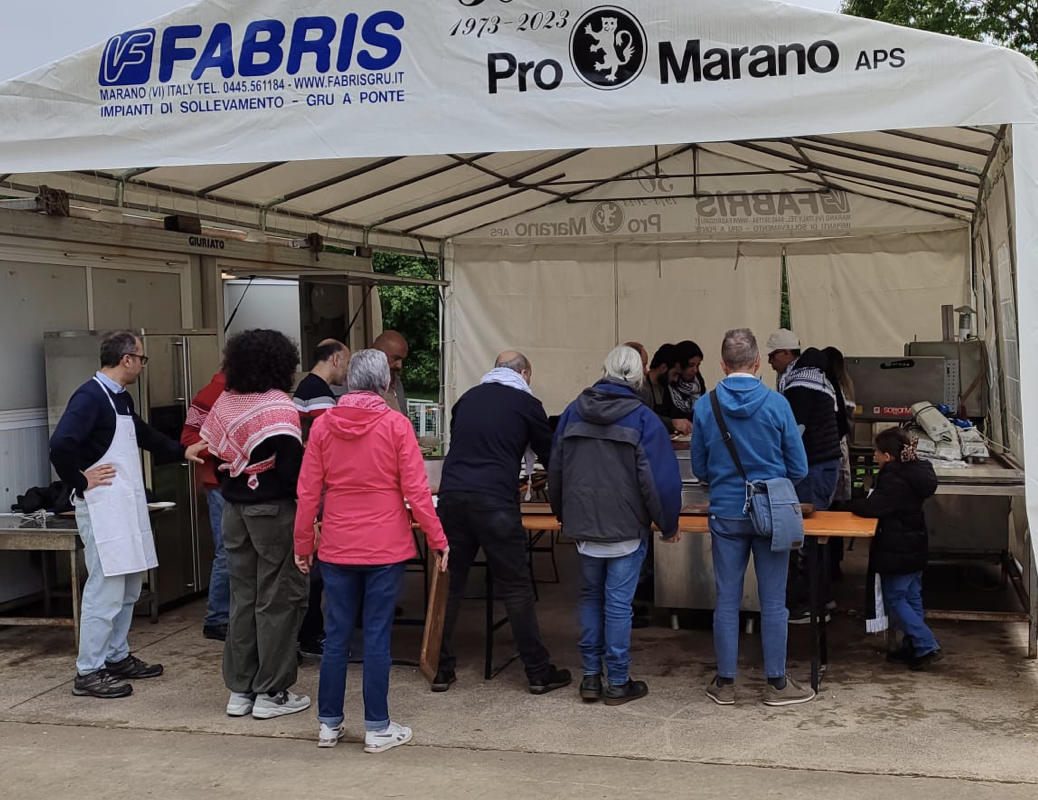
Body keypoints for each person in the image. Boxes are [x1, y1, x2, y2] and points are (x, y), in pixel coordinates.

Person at [294, 349, 449, 752]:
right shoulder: (396, 424)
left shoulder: (324, 425)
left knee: (336, 634)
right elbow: (417, 491)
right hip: (385, 544)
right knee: (377, 635)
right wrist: (437, 539)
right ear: (384, 383)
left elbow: (308, 491)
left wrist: (303, 542)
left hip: (337, 543)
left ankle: (329, 723)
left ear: (350, 381)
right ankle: (377, 726)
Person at [50, 330, 206, 699]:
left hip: (124, 505)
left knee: (130, 586)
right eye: (141, 358)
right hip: (102, 507)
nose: (142, 364)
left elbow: (141, 433)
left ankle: (116, 656)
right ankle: (89, 671)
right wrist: (80, 480)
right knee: (105, 590)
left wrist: (180, 451)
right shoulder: (90, 396)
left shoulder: (119, 397)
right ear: (126, 359)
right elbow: (59, 445)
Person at [549, 346, 682, 705]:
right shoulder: (643, 419)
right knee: (619, 604)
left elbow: (556, 468)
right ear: (638, 376)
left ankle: (591, 677)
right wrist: (668, 524)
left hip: (583, 523)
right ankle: (618, 681)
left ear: (604, 369)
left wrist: (563, 513)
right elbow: (659, 482)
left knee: (591, 597)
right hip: (626, 526)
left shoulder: (572, 411)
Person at [433, 351, 570, 695]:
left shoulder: (466, 399)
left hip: (452, 495)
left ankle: (440, 668)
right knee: (515, 586)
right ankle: (537, 672)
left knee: (451, 584)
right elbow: (550, 455)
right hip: (494, 499)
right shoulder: (527, 404)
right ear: (523, 373)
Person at [692, 328, 814, 707]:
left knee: (727, 599)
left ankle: (725, 683)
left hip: (726, 512)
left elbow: (699, 468)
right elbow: (799, 467)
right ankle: (776, 684)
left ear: (722, 364)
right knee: (774, 601)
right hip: (772, 512)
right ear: (759, 361)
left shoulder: (705, 406)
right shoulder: (778, 404)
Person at [199, 329, 310, 720]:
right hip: (272, 511)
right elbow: (293, 471)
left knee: (243, 597)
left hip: (233, 510)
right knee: (277, 600)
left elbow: (213, 452)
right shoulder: (278, 406)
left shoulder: (226, 402)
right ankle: (272, 692)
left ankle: (240, 689)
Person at [846, 428, 941, 670]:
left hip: (896, 550)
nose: (875, 456)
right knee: (912, 597)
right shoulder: (917, 472)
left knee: (895, 599)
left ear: (887, 456)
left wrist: (851, 503)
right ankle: (914, 646)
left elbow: (873, 507)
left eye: (876, 452)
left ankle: (926, 644)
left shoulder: (894, 478)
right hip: (915, 545)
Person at [766, 329, 844, 623]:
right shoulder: (815, 376)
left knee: (806, 537)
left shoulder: (800, 383)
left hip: (813, 467)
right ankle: (822, 598)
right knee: (814, 536)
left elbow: (793, 431)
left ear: (786, 353)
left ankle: (813, 606)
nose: (770, 361)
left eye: (773, 355)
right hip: (822, 464)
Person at [292, 338, 351, 659]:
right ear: (336, 359)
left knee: (311, 569)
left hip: (308, 485)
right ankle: (311, 634)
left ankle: (308, 632)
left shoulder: (306, 388)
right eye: (347, 362)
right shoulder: (319, 395)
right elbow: (330, 447)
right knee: (315, 570)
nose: (347, 371)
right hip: (318, 488)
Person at [181, 370, 230, 642]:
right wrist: (221, 449)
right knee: (227, 551)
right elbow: (189, 436)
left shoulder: (250, 388)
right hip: (220, 484)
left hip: (238, 483)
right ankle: (217, 618)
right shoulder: (212, 392)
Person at [645, 344, 691, 435]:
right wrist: (673, 423)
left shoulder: (666, 388)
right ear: (663, 368)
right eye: (675, 374)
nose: (676, 379)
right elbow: (644, 417)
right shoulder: (641, 389)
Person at [668, 340, 707, 421]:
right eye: (691, 365)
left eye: (697, 366)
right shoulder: (669, 383)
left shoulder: (697, 382)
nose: (695, 370)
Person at [372, 330, 408, 414]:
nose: (399, 365)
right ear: (378, 352)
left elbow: (403, 415)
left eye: (401, 360)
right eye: (396, 358)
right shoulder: (355, 383)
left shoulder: (396, 383)